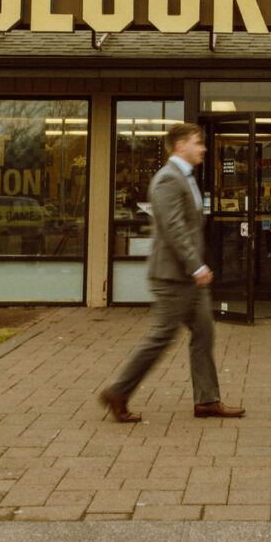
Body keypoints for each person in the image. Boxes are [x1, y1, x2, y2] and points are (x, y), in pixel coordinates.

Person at [98, 122, 244, 423]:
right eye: (198, 142)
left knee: (203, 333)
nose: (203, 148)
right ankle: (118, 391)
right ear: (180, 145)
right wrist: (196, 266)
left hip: (187, 278)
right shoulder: (168, 179)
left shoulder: (185, 177)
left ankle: (207, 400)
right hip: (172, 277)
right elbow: (174, 227)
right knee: (161, 336)